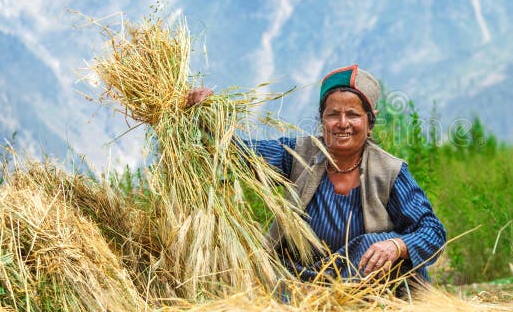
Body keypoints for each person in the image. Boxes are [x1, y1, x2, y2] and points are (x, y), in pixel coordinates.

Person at [186, 64, 446, 286]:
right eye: (333, 114)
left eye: (353, 115)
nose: (342, 123)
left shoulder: (390, 171)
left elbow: (433, 231)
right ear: (322, 119)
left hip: (370, 288)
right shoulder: (299, 154)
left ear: (370, 121)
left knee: (376, 244)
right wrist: (208, 115)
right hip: (303, 284)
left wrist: (396, 247)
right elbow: (242, 154)